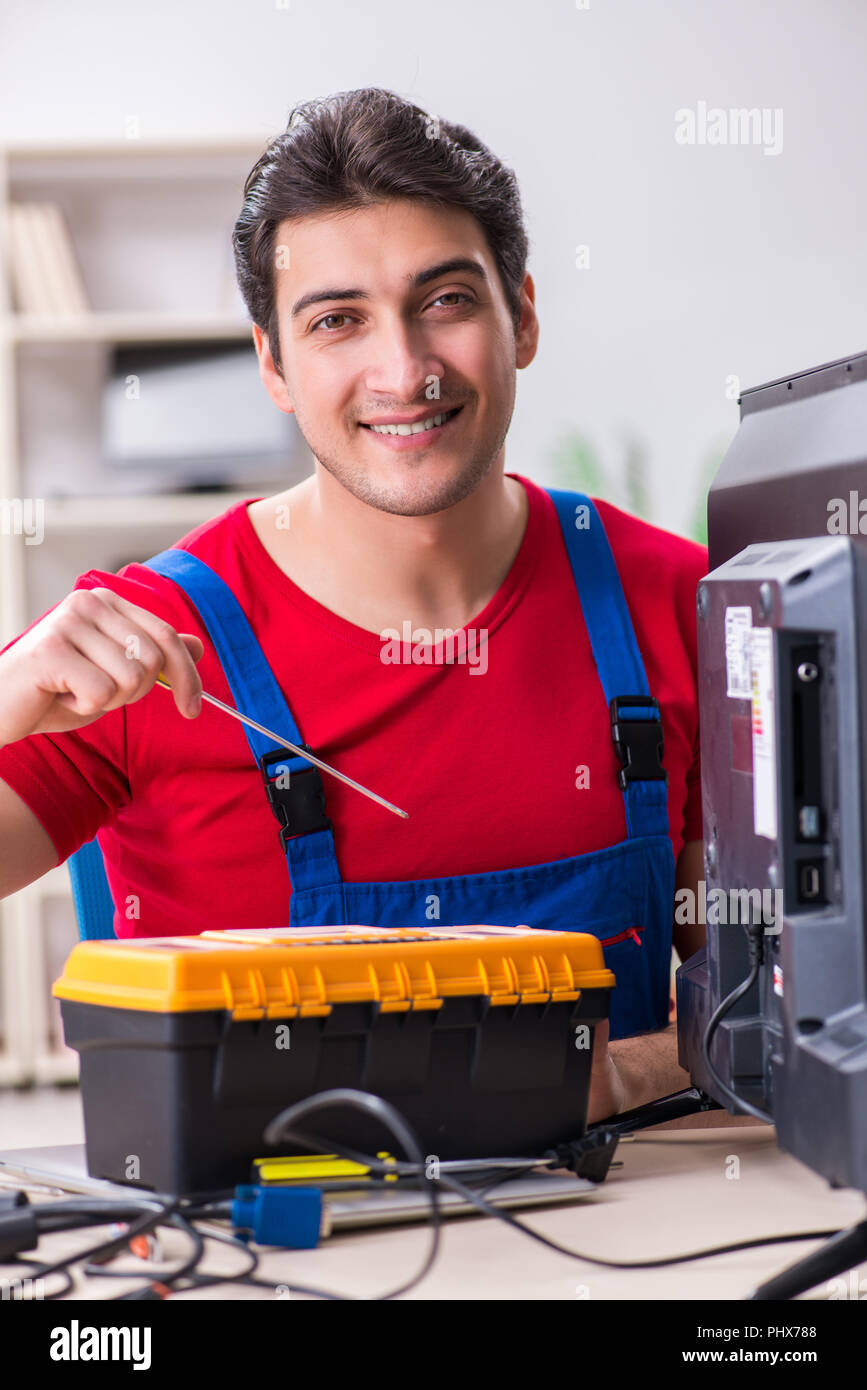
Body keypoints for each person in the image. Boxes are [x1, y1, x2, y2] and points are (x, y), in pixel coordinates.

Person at [0, 87, 714, 1126]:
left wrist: (619, 1074)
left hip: (641, 1236)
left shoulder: (677, 601)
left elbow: (781, 995)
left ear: (521, 315)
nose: (404, 369)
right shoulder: (139, 646)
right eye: (339, 320)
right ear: (274, 366)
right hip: (267, 1270)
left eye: (447, 301)